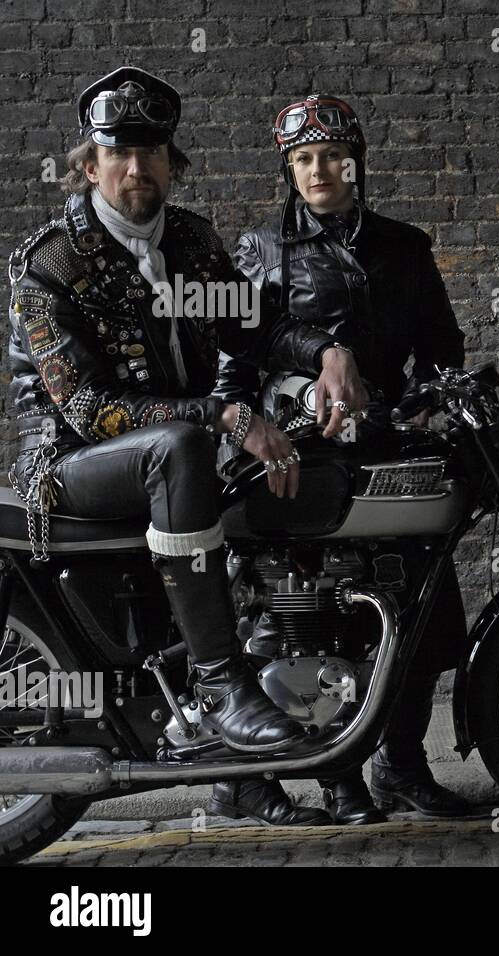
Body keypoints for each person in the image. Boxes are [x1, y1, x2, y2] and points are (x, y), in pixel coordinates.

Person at [6, 67, 367, 760]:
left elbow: (256, 329)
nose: (136, 167)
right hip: (67, 468)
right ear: (90, 165)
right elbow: (88, 409)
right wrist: (225, 418)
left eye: (151, 152)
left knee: (307, 461)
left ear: (173, 163)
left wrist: (327, 352)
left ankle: (258, 752)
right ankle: (221, 686)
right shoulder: (50, 267)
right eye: (119, 152)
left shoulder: (193, 248)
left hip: (176, 453)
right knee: (177, 446)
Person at [207, 94, 473, 827]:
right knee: (310, 618)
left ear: (355, 161)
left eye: (329, 156)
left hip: (390, 446)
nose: (317, 170)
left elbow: (442, 348)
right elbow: (234, 356)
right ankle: (326, 772)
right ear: (287, 170)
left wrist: (424, 399)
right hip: (302, 454)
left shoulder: (405, 246)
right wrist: (247, 429)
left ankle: (402, 765)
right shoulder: (263, 249)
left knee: (422, 609)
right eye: (302, 160)